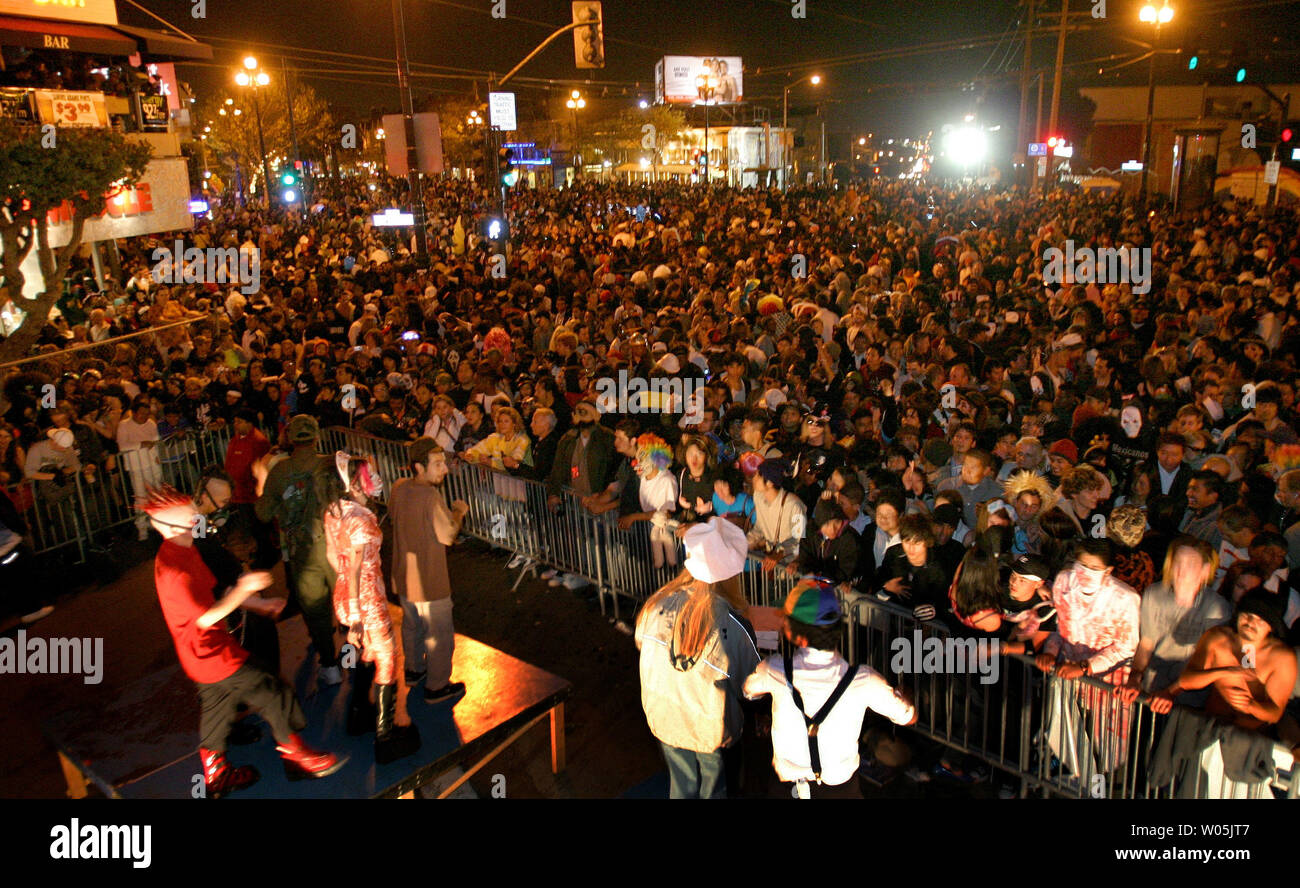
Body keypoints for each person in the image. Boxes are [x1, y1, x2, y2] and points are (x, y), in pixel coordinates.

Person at [139, 485, 345, 797]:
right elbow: (206, 617)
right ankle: (297, 758)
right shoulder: (175, 570)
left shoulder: (184, 549)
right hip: (213, 654)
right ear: (166, 527)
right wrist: (245, 588)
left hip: (197, 657)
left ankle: (216, 774)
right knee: (273, 693)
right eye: (189, 515)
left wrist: (258, 605)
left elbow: (215, 593)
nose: (197, 517)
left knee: (217, 710)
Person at [744, 576, 916, 798]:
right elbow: (907, 716)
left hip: (787, 789)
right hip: (840, 790)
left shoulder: (773, 669)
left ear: (793, 631)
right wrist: (906, 694)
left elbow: (748, 690)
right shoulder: (863, 679)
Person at [634, 516, 760, 799]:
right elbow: (751, 686)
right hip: (710, 729)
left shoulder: (656, 604)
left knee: (681, 787)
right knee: (715, 790)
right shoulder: (733, 624)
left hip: (665, 717)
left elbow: (643, 645)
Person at [321, 451, 421, 763]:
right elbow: (354, 568)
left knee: (366, 655)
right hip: (364, 596)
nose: (375, 479)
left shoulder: (334, 511)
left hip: (347, 592)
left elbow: (330, 556)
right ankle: (385, 735)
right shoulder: (358, 519)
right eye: (369, 474)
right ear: (354, 483)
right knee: (388, 659)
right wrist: (356, 616)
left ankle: (358, 713)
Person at [253, 414, 341, 687]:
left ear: (291, 439)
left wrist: (261, 483)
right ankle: (358, 653)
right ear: (316, 437)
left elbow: (263, 513)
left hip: (304, 551)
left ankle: (330, 664)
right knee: (350, 602)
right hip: (338, 546)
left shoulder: (280, 471)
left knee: (315, 609)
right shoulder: (332, 464)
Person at [388, 437, 470, 703]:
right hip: (430, 582)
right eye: (437, 464)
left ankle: (413, 670)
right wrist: (458, 512)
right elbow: (447, 534)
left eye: (443, 463)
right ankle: (437, 686)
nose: (444, 469)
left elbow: (392, 514)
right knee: (439, 636)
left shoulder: (399, 488)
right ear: (418, 467)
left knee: (411, 626)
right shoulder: (431, 496)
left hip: (403, 577)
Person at [1118, 536, 1232, 713]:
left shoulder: (1217, 608)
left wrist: (1172, 692)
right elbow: (1147, 644)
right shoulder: (1155, 594)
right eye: (1177, 563)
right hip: (1151, 689)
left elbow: (1207, 661)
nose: (1181, 571)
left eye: (1190, 565)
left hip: (1189, 700)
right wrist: (1135, 677)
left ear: (1205, 570)